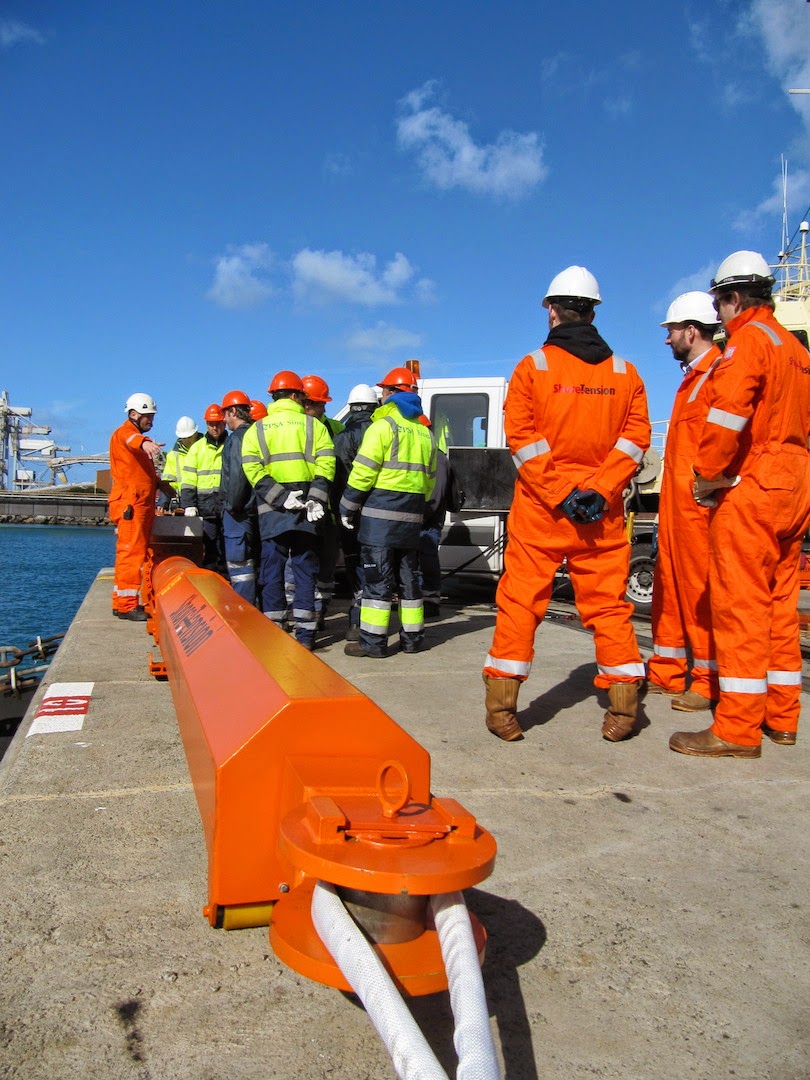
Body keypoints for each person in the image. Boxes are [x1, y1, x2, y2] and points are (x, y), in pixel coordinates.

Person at [482, 266, 650, 741]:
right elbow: (635, 440)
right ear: (593, 313)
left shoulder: (533, 367)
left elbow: (522, 439)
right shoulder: (626, 374)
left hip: (543, 511)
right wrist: (598, 489)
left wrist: (562, 492)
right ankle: (623, 712)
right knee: (609, 607)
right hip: (600, 515)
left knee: (521, 603)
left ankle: (502, 712)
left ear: (552, 311)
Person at [670, 251, 810, 758]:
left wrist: (708, 476)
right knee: (780, 608)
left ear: (732, 298)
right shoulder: (795, 349)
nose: (719, 314)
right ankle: (783, 717)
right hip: (795, 484)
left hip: (754, 486)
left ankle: (737, 728)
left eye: (718, 304)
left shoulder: (748, 342)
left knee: (740, 609)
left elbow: (728, 417)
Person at [646, 292, 723, 712]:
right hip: (677, 509)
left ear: (691, 331)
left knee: (698, 593)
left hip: (698, 508)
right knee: (669, 591)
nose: (667, 339)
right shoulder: (692, 380)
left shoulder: (717, 376)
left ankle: (708, 682)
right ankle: (667, 671)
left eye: (672, 330)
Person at [340, 366, 436, 658]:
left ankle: (373, 643)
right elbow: (430, 482)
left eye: (383, 390)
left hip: (380, 520)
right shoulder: (424, 433)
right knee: (409, 581)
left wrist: (347, 506)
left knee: (377, 582)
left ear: (393, 393)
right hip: (411, 520)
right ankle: (412, 640)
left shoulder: (382, 427)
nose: (380, 395)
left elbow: (363, 472)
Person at [241, 370, 335, 650]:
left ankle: (274, 633)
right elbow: (326, 465)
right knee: (305, 571)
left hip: (272, 510)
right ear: (296, 395)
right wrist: (316, 499)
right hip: (308, 509)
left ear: (273, 396)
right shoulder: (314, 427)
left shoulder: (257, 429)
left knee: (273, 571)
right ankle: (305, 637)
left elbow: (252, 470)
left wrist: (281, 498)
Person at [108, 393, 175, 621]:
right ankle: (126, 605)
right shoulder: (125, 433)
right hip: (132, 505)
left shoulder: (135, 441)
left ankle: (121, 602)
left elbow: (139, 472)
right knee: (131, 553)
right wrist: (145, 442)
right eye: (148, 416)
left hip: (138, 504)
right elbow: (131, 439)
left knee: (132, 552)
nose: (151, 421)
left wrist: (160, 484)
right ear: (134, 414)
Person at [332, 383, 379, 640]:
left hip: (349, 513)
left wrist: (341, 509)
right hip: (378, 512)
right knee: (377, 567)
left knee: (355, 565)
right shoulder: (383, 432)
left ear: (351, 408)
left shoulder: (341, 438)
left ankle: (356, 622)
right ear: (375, 407)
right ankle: (372, 624)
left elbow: (336, 479)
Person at [297, 374, 345, 627]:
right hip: (300, 506)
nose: (325, 409)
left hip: (329, 508)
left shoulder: (336, 428)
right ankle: (301, 612)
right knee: (301, 564)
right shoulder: (294, 427)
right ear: (307, 404)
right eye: (321, 404)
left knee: (327, 564)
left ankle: (320, 611)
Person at [220, 390, 259, 604]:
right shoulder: (256, 434)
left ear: (233, 412)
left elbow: (237, 476)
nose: (224, 420)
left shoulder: (236, 439)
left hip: (239, 512)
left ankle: (243, 609)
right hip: (257, 509)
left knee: (240, 566)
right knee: (255, 564)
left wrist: (232, 506)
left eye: (225, 414)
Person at [180, 404, 227, 571]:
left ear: (224, 422)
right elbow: (188, 479)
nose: (214, 427)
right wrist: (189, 504)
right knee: (209, 549)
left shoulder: (231, 445)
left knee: (227, 549)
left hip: (227, 508)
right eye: (211, 424)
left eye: (218, 423)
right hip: (206, 508)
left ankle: (225, 580)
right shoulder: (197, 449)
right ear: (206, 424)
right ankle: (210, 578)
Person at [159, 416, 201, 509]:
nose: (187, 440)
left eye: (190, 437)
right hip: (184, 501)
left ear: (196, 433)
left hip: (205, 499)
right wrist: (163, 504)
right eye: (184, 438)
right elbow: (168, 482)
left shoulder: (205, 449)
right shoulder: (173, 455)